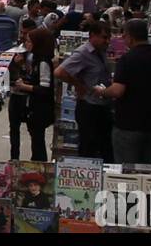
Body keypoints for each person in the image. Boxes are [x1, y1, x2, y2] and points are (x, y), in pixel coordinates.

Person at [94, 20, 151, 164]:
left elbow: (117, 90)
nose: (123, 39)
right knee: (147, 168)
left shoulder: (127, 60)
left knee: (127, 169)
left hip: (128, 125)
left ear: (130, 37)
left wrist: (102, 91)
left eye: (124, 36)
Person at [56, 21, 114, 163]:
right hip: (89, 106)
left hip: (102, 105)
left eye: (108, 38)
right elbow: (59, 72)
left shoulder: (100, 52)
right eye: (104, 37)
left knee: (104, 145)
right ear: (93, 35)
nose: (107, 41)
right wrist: (78, 84)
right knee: (88, 146)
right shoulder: (83, 53)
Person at [11, 27, 56, 162]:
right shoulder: (36, 59)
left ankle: (39, 164)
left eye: (30, 41)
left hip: (40, 108)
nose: (27, 44)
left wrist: (24, 87)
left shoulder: (43, 62)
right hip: (34, 106)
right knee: (35, 138)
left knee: (38, 140)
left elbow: (44, 88)